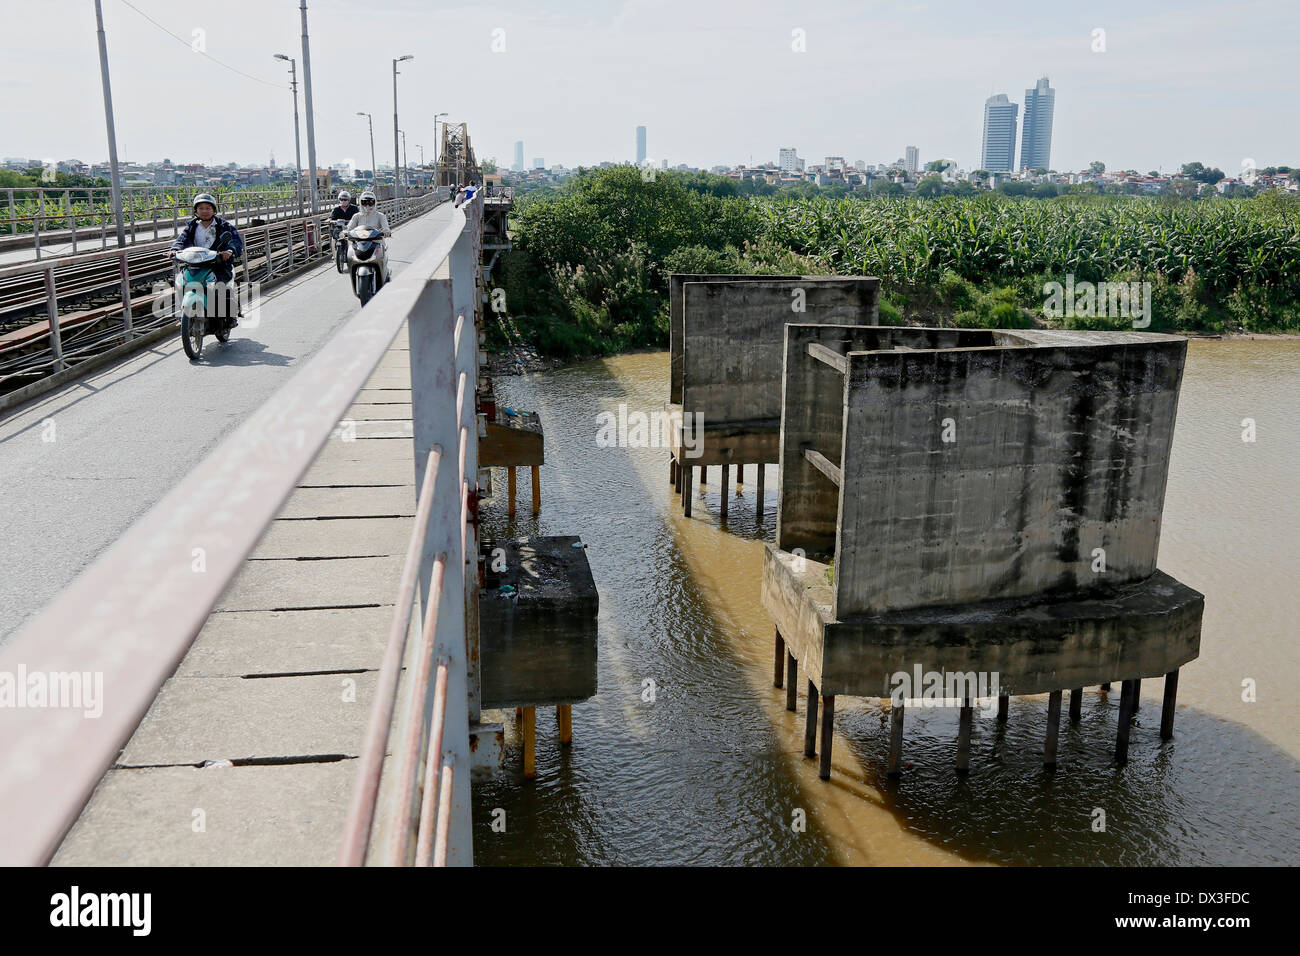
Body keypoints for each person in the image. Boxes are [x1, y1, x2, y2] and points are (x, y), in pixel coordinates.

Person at [169, 193, 244, 325]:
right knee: (182, 281)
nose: (204, 211)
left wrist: (229, 251)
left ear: (214, 210)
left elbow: (235, 241)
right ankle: (184, 314)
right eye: (201, 208)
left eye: (208, 208)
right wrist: (174, 250)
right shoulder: (192, 226)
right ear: (196, 210)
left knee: (221, 285)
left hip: (218, 264)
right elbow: (181, 240)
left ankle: (230, 315)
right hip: (195, 264)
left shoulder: (224, 225)